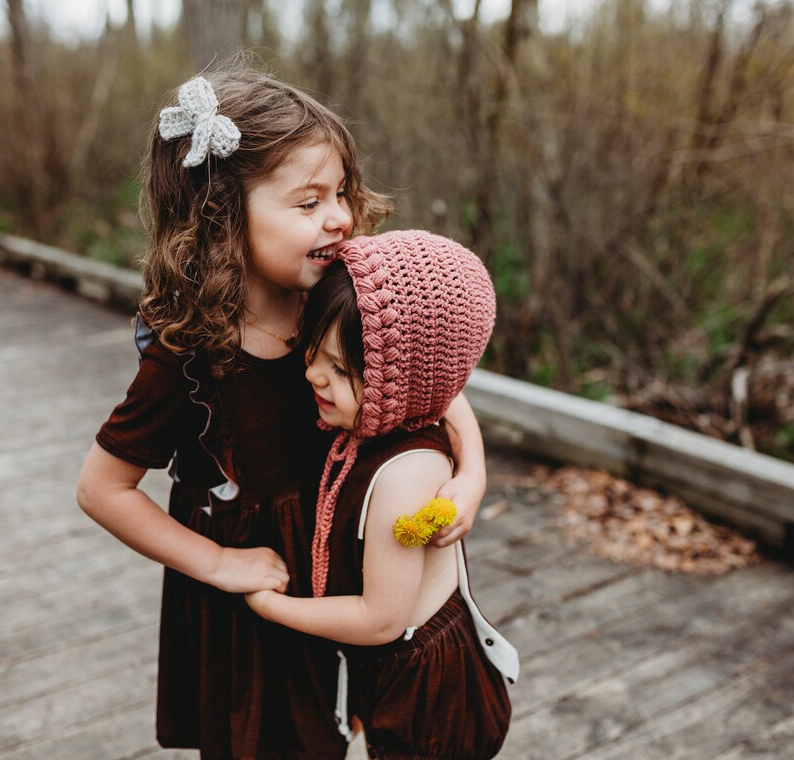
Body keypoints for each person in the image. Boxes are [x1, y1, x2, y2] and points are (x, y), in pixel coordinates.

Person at [75, 66, 489, 759]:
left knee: (366, 729)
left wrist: (470, 470)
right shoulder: (187, 354)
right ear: (221, 216)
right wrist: (216, 563)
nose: (340, 217)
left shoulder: (341, 293)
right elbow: (101, 489)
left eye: (341, 194)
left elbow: (427, 382)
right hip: (256, 593)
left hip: (355, 574)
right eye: (308, 203)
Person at [246, 231, 519, 760]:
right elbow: (447, 387)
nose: (312, 375)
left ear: (406, 385)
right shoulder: (394, 409)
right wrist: (475, 470)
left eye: (340, 370)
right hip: (391, 670)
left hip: (426, 696)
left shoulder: (403, 481)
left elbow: (381, 619)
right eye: (312, 351)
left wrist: (273, 608)